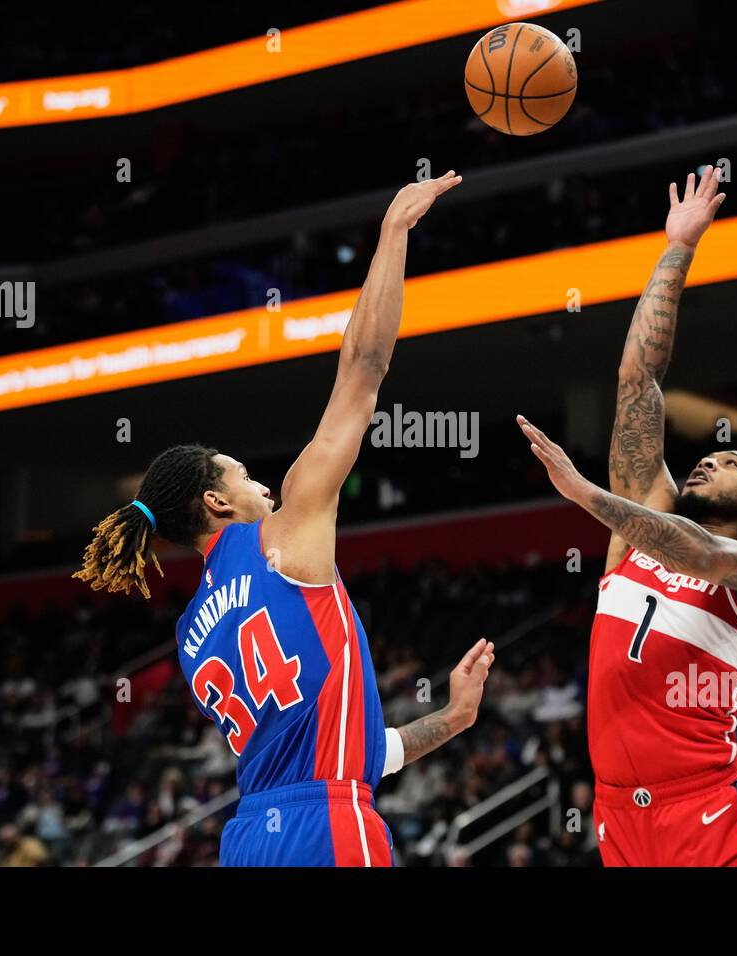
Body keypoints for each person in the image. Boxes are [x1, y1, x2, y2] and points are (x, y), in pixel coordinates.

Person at [75, 173, 495, 866]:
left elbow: (346, 752)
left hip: (250, 837)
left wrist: (450, 720)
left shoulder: (189, 632)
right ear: (215, 502)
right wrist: (392, 234)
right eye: (241, 472)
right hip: (328, 827)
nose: (265, 483)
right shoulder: (281, 533)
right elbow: (364, 367)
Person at [515, 166, 737, 866]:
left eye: (732, 464)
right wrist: (677, 249)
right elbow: (638, 380)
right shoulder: (638, 531)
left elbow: (700, 555)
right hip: (619, 820)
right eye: (708, 457)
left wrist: (588, 495)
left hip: (709, 809)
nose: (709, 460)